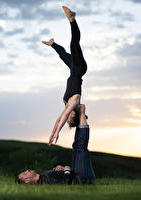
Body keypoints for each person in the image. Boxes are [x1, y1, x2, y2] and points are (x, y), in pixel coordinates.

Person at [15, 104, 95, 184]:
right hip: (81, 179)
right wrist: (66, 169)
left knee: (77, 146)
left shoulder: (43, 177)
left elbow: (62, 178)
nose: (27, 170)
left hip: (79, 176)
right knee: (80, 147)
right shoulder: (44, 180)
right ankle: (81, 113)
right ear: (27, 180)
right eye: (25, 173)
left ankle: (81, 116)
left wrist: (63, 169)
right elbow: (66, 182)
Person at [47, 6, 88, 145]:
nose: (68, 117)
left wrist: (52, 134)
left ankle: (53, 43)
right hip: (80, 69)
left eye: (68, 120)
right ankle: (72, 19)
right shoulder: (75, 102)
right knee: (74, 44)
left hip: (73, 69)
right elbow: (64, 117)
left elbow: (59, 120)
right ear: (74, 114)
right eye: (71, 119)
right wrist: (58, 133)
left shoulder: (67, 106)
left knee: (63, 55)